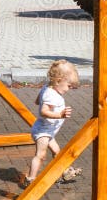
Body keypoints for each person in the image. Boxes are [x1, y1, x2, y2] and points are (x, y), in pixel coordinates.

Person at [23, 60, 80, 188]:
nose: (69, 89)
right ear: (59, 81)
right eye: (69, 86)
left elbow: (38, 101)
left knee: (57, 152)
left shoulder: (47, 87)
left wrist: (41, 100)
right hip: (42, 132)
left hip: (48, 131)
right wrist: (60, 115)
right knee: (41, 155)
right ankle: (30, 179)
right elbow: (43, 112)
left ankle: (64, 172)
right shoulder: (52, 95)